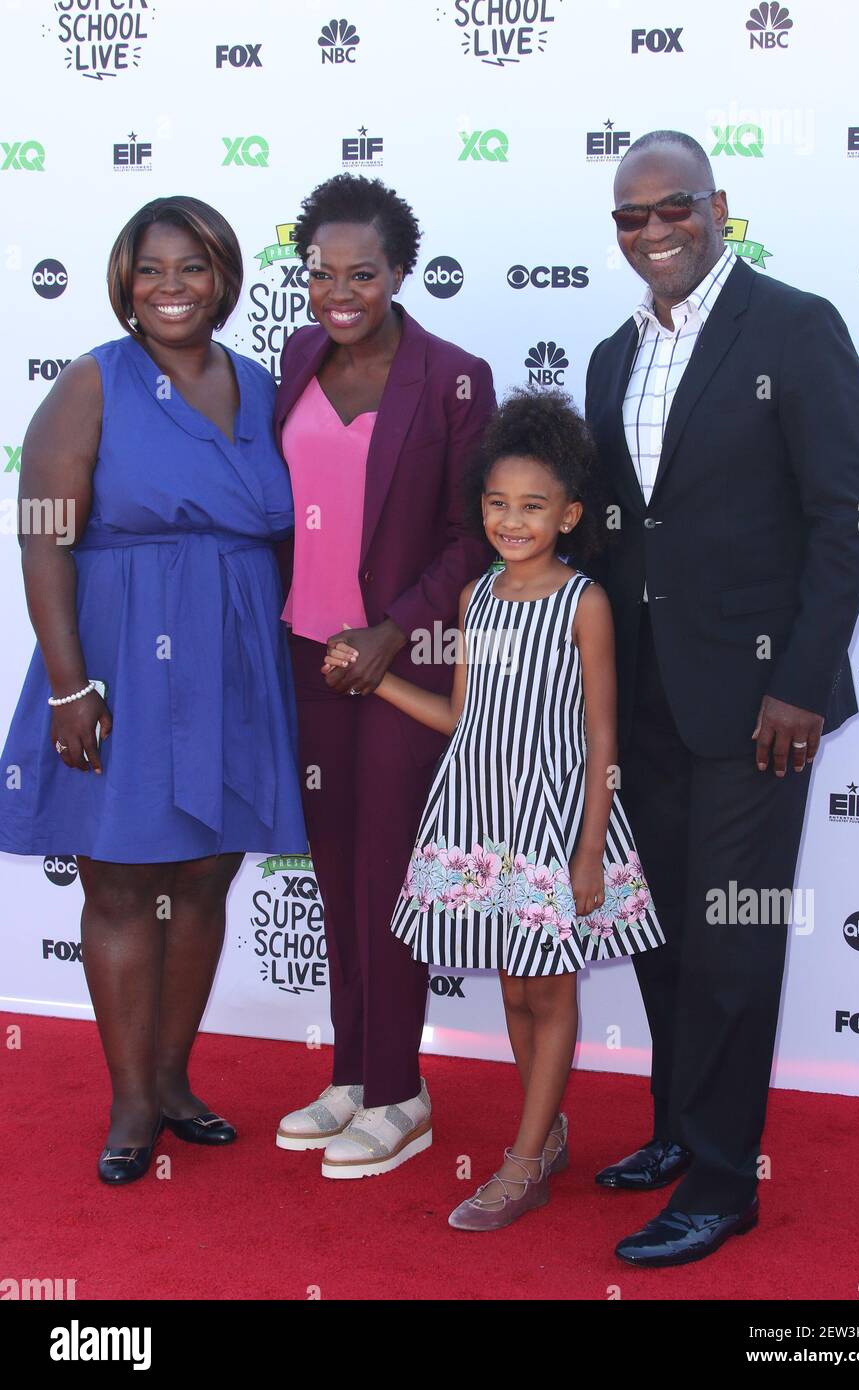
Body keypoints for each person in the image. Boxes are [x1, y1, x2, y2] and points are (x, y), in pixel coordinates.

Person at [585, 130, 859, 1265]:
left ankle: (721, 1183)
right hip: (650, 696)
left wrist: (800, 683)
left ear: (718, 206)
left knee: (731, 942)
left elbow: (844, 515)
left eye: (673, 208)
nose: (653, 231)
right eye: (629, 216)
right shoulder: (616, 355)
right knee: (664, 931)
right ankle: (677, 1128)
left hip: (762, 706)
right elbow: (621, 532)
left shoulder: (793, 326)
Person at [0, 196, 308, 1184]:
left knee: (207, 871)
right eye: (150, 270)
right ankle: (131, 1098)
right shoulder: (95, 380)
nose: (170, 288)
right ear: (124, 284)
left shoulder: (262, 385)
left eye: (192, 268)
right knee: (125, 877)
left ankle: (173, 1081)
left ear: (224, 278)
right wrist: (65, 684)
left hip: (234, 653)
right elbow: (44, 527)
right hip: (121, 652)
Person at [326, 389, 664, 1225]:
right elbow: (461, 718)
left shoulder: (583, 602)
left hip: (555, 820)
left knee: (549, 988)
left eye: (532, 507)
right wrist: (378, 680)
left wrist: (589, 851)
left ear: (569, 513)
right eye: (496, 504)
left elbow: (601, 734)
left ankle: (520, 1162)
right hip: (478, 814)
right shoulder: (476, 598)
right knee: (515, 987)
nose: (511, 521)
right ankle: (542, 1132)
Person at [273, 175, 495, 1177]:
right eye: (321, 271)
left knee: (385, 872)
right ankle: (355, 1071)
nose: (338, 289)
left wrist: (393, 630)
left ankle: (403, 1091)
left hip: (402, 667)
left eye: (360, 271)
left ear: (400, 272)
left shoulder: (454, 377)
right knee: (334, 873)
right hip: (305, 656)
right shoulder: (294, 356)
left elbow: (470, 539)